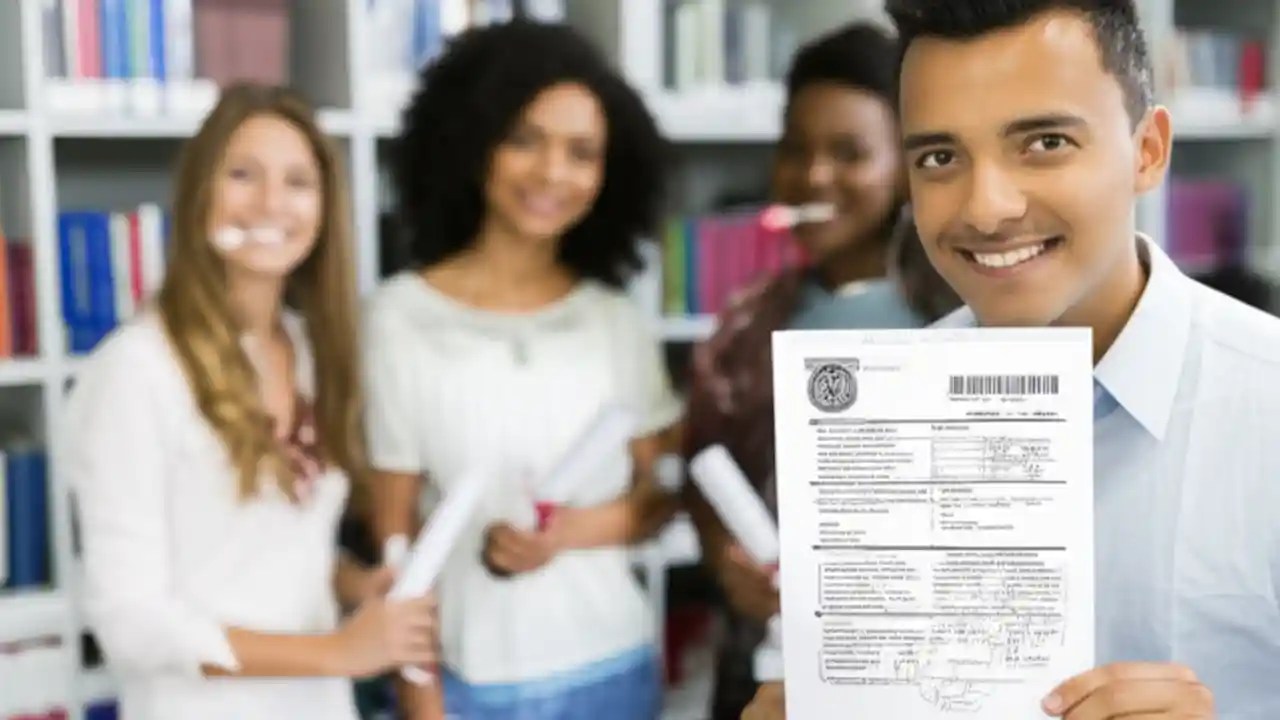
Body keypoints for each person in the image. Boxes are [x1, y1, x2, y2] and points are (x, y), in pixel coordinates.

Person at [742, 0, 1280, 718]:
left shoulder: (1266, 405)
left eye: (1045, 142)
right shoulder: (878, 424)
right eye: (940, 158)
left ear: (1147, 152)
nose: (986, 209)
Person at [64, 83, 440, 720]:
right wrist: (337, 652)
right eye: (243, 175)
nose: (271, 202)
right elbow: (131, 621)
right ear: (200, 195)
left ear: (325, 209)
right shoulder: (135, 371)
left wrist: (355, 584)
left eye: (298, 182)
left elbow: (264, 554)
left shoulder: (311, 352)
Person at [362, 20, 684, 720]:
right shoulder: (398, 318)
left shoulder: (614, 321)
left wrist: (565, 534)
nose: (552, 173)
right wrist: (423, 700)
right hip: (472, 684)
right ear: (474, 143)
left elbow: (659, 497)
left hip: (616, 670)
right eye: (524, 140)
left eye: (581, 153)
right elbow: (394, 543)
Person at [679, 22, 959, 720]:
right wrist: (727, 562)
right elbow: (702, 475)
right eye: (795, 149)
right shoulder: (747, 324)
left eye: (850, 153)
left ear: (908, 165)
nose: (814, 176)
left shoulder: (962, 318)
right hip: (770, 673)